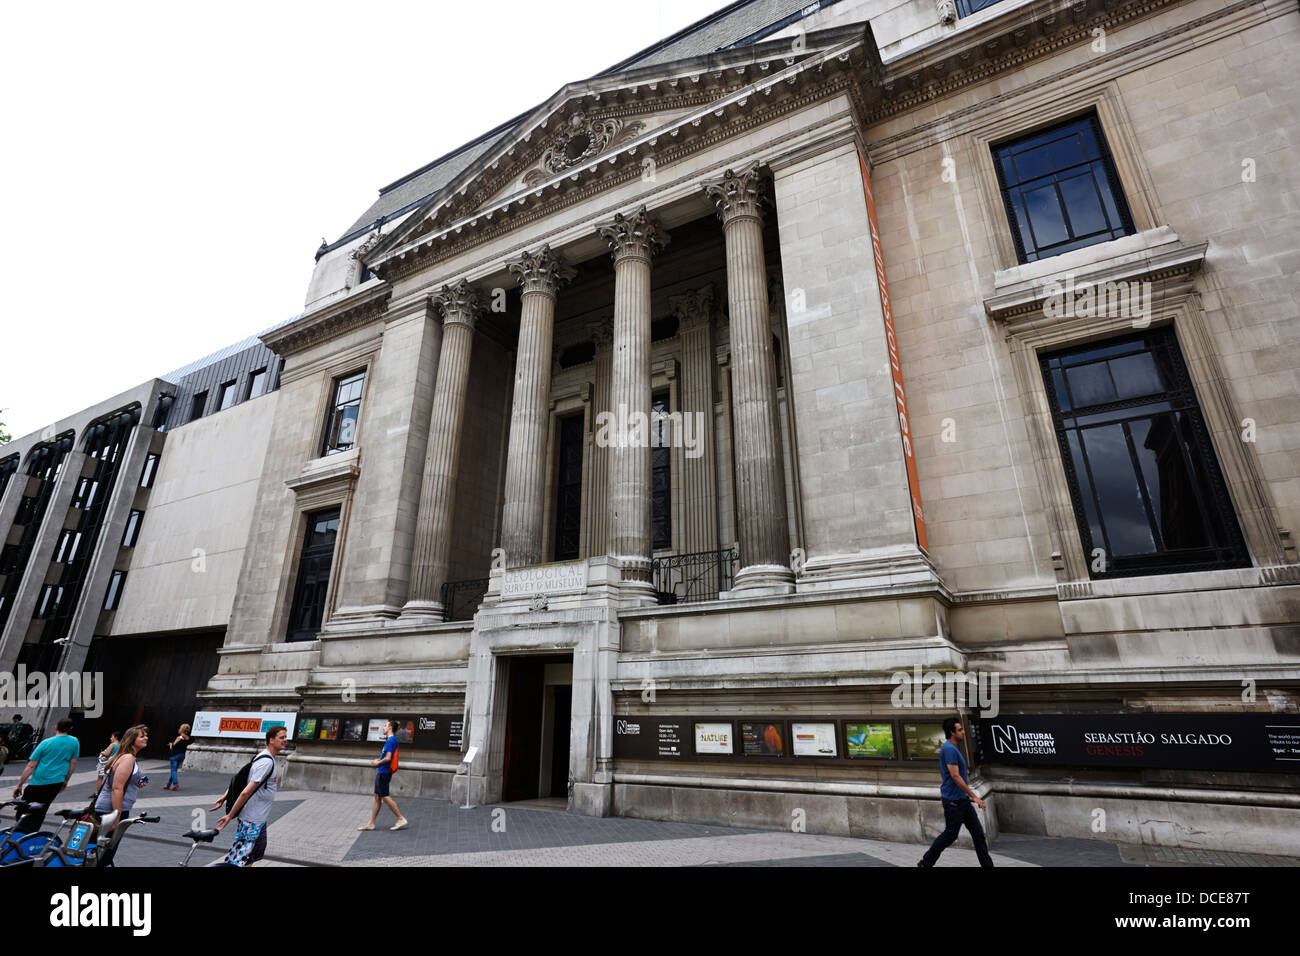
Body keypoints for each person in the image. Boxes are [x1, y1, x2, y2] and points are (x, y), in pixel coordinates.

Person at [917, 717, 994, 868]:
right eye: (960, 730)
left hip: (960, 800)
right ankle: (926, 863)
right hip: (955, 803)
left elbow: (946, 776)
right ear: (952, 732)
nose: (963, 732)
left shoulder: (952, 748)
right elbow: (954, 776)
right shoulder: (949, 749)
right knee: (950, 835)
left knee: (978, 835)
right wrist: (974, 796)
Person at [209, 725, 286, 866]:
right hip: (252, 821)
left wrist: (226, 795)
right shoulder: (266, 762)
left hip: (259, 820)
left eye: (285, 737)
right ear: (271, 740)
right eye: (281, 737)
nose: (285, 740)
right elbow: (246, 791)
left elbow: (242, 778)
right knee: (238, 860)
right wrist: (230, 816)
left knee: (248, 858)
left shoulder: (263, 756)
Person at [10, 718, 79, 833]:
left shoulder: (45, 743)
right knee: (42, 810)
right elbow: (73, 762)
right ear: (70, 729)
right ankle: (32, 834)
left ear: (55, 727)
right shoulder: (74, 742)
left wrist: (19, 784)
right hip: (56, 782)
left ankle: (19, 834)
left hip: (38, 782)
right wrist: (66, 780)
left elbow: (31, 766)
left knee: (25, 809)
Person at [93, 724, 150, 833]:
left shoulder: (127, 756)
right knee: (105, 847)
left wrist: (136, 782)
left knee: (100, 846)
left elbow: (122, 781)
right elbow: (117, 788)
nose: (146, 738)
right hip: (111, 810)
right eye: (142, 736)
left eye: (146, 736)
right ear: (132, 740)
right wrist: (116, 818)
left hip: (113, 808)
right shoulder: (128, 758)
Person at [357, 719, 408, 832]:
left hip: (384, 772)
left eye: (385, 726)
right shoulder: (391, 740)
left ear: (390, 727)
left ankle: (400, 818)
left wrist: (377, 762)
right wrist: (379, 761)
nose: (383, 728)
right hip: (382, 771)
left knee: (384, 796)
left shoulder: (390, 741)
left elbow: (388, 758)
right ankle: (371, 823)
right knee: (377, 797)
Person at [92, 731, 121, 797]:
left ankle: (98, 793)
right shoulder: (120, 745)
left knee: (100, 778)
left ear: (116, 737)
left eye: (112, 737)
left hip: (106, 763)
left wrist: (102, 752)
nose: (110, 738)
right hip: (114, 762)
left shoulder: (113, 744)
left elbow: (107, 754)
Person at [164, 723, 192, 790]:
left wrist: (171, 744)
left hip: (175, 756)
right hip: (182, 755)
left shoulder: (179, 737)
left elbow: (173, 746)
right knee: (174, 770)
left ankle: (176, 784)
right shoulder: (188, 738)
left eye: (179, 728)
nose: (178, 729)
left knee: (173, 770)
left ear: (182, 730)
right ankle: (168, 785)